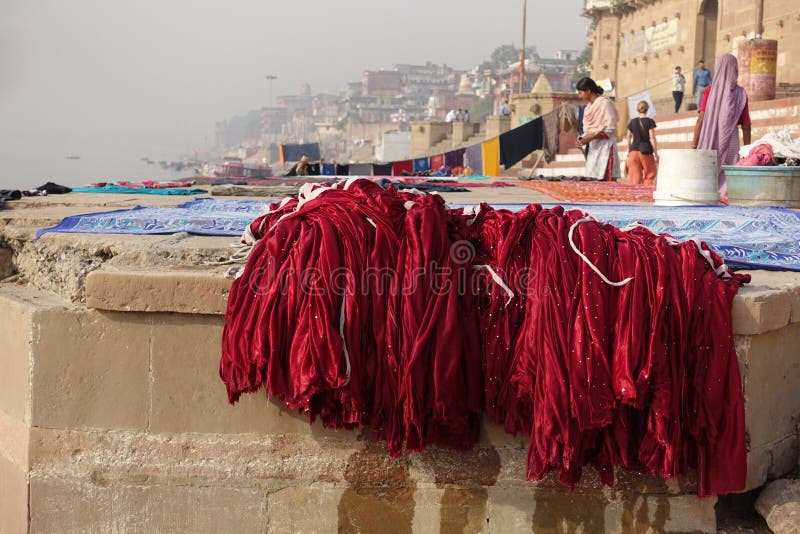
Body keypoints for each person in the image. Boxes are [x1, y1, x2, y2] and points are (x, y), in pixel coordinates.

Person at [691, 54, 751, 196]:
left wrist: (694, 144)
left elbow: (701, 119)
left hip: (710, 140)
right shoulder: (741, 93)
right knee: (727, 185)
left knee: (707, 183)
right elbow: (746, 125)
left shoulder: (709, 91)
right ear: (735, 69)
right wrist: (747, 150)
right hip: (732, 142)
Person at [575, 77, 620, 181]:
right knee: (593, 183)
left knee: (607, 184)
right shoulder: (587, 109)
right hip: (593, 150)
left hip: (606, 149)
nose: (579, 96)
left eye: (581, 93)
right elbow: (587, 131)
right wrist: (581, 139)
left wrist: (590, 138)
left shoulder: (605, 103)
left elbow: (610, 129)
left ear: (588, 91)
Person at [626, 101, 658, 185]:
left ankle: (635, 196)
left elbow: (628, 136)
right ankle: (646, 194)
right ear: (647, 109)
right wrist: (656, 153)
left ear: (638, 109)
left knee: (634, 178)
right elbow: (652, 138)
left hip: (633, 152)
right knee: (650, 174)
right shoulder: (649, 121)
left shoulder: (632, 121)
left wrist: (629, 150)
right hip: (646, 151)